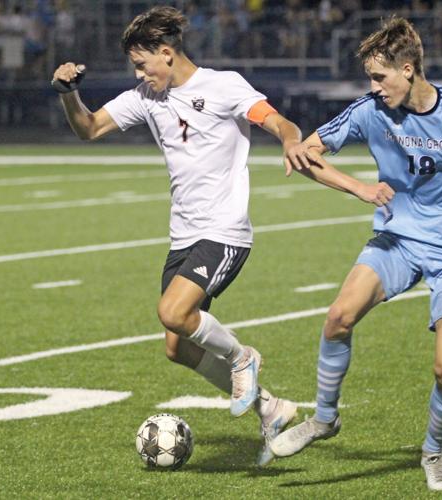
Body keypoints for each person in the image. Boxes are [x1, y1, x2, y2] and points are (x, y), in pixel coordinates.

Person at [51, 5, 316, 466]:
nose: (138, 73)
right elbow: (89, 128)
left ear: (167, 54)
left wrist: (291, 139)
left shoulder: (224, 86)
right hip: (183, 236)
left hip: (225, 231)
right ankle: (270, 407)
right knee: (177, 347)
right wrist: (68, 94)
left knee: (173, 312)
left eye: (141, 64)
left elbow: (277, 121)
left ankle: (242, 359)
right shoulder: (145, 97)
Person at [269, 16, 442, 491]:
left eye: (379, 77)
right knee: (338, 316)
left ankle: (433, 451)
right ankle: (324, 419)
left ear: (408, 68)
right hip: (398, 241)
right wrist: (356, 187)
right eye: (370, 79)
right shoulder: (369, 110)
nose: (374, 88)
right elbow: (304, 154)